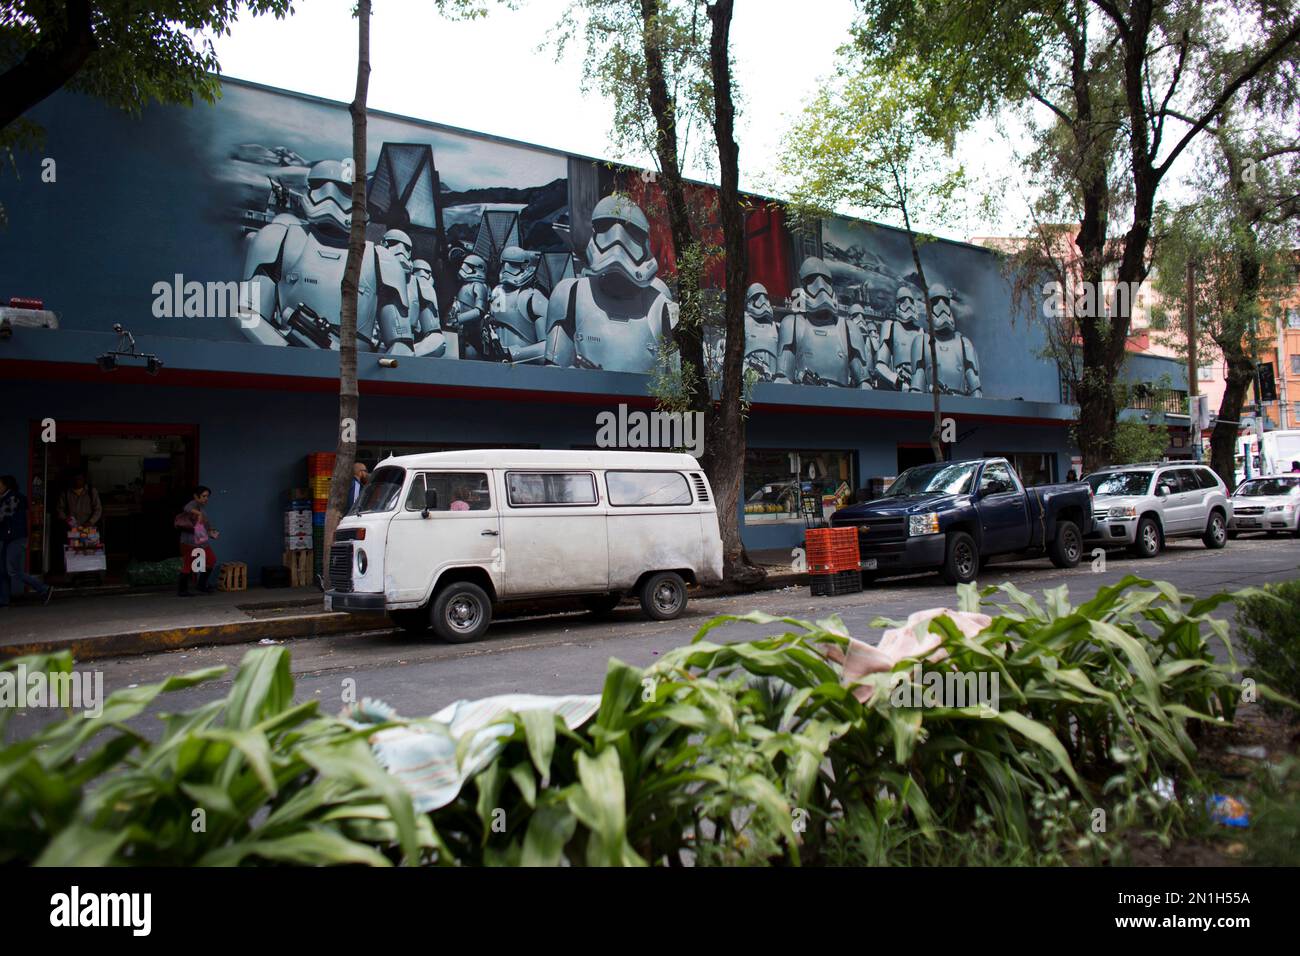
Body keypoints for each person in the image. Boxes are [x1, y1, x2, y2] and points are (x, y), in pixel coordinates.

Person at [0, 475, 53, 607]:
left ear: (6, 485)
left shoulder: (13, 498)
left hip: (16, 538)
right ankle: (4, 600)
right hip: (9, 538)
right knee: (3, 570)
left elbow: (2, 515)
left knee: (13, 570)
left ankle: (44, 589)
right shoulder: (7, 497)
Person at [177, 485, 220, 597]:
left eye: (207, 496)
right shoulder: (193, 505)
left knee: (211, 559)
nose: (206, 498)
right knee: (188, 563)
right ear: (196, 496)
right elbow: (186, 508)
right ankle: (182, 590)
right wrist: (199, 514)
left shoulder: (200, 507)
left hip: (200, 541)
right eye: (203, 496)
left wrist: (211, 531)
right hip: (189, 541)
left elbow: (203, 525)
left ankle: (201, 585)